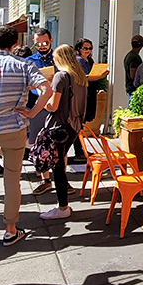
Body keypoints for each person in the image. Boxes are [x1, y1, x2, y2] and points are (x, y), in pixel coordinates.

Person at [0, 25, 52, 244]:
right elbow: (46, 89)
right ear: (16, 44)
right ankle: (11, 228)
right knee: (12, 178)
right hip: (14, 126)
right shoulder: (23, 65)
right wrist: (32, 112)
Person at [41, 45, 87, 221]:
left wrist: (42, 94)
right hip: (74, 125)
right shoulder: (80, 76)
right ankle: (62, 205)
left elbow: (52, 106)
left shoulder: (61, 76)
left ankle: (62, 207)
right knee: (60, 163)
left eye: (54, 57)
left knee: (58, 167)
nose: (53, 60)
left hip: (60, 125)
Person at [26, 28, 55, 196]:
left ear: (51, 40)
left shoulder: (58, 59)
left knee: (58, 142)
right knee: (38, 142)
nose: (42, 46)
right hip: (36, 105)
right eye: (38, 43)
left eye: (44, 42)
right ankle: (45, 179)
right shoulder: (30, 61)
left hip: (55, 105)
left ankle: (60, 179)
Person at [75, 38, 98, 124]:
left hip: (91, 88)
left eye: (90, 48)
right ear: (79, 48)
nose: (88, 50)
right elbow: (83, 75)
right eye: (85, 48)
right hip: (83, 90)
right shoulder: (79, 60)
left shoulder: (90, 60)